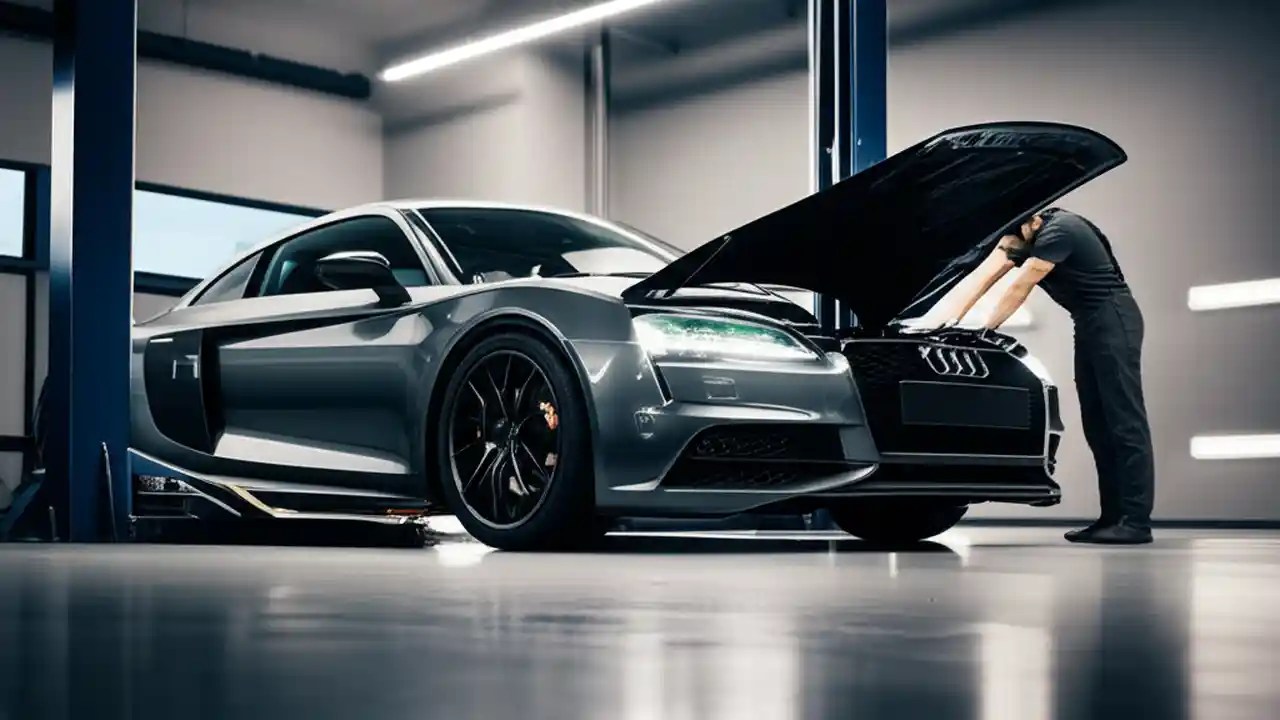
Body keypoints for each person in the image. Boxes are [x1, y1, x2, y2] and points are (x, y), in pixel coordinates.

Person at [938, 208, 1155, 544]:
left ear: (1031, 223)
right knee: (1098, 425)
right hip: (1089, 323)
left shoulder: (1059, 231)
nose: (1008, 249)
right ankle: (1112, 518)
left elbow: (1021, 286)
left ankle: (1135, 522)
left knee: (1124, 422)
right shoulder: (1029, 232)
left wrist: (984, 330)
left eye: (1011, 241)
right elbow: (987, 277)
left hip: (1113, 319)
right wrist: (947, 321)